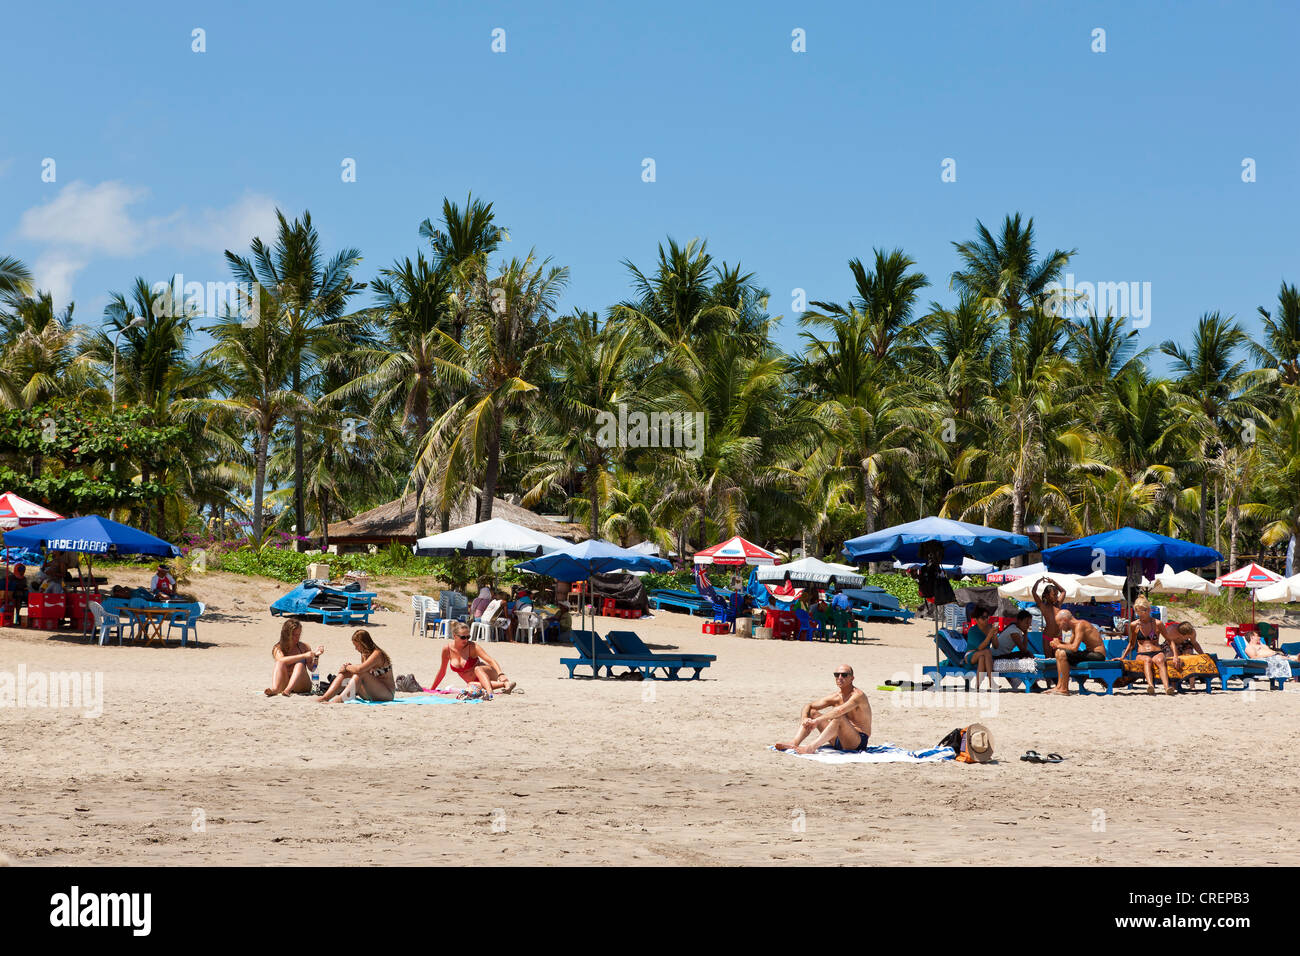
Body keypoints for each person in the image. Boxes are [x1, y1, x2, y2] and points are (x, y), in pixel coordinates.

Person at [775, 664, 873, 754]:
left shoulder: (858, 695)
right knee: (812, 712)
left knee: (839, 717)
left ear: (852, 678)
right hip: (838, 739)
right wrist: (805, 718)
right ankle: (794, 742)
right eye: (836, 675)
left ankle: (811, 748)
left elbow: (840, 711)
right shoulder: (835, 697)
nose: (840, 678)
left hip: (857, 741)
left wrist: (816, 721)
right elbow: (808, 706)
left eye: (844, 675)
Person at [427, 622, 517, 698]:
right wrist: (432, 689)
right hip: (475, 683)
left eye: (468, 637)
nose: (466, 640)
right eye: (463, 637)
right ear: (455, 636)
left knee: (477, 669)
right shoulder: (447, 649)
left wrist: (500, 674)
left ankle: (490, 693)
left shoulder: (473, 647)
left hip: (487, 673)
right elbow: (442, 671)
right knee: (469, 685)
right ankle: (506, 684)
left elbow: (490, 660)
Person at [318, 629, 395, 703]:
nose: (356, 648)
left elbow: (360, 670)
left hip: (386, 694)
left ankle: (341, 699)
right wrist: (348, 669)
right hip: (371, 692)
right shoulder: (364, 654)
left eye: (357, 646)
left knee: (361, 673)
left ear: (363, 644)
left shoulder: (377, 654)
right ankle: (325, 697)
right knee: (346, 674)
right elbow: (361, 670)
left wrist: (346, 667)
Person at [1116, 597, 1173, 695]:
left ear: (1149, 610)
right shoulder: (1134, 625)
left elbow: (1170, 640)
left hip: (1157, 651)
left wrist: (1175, 655)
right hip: (1142, 653)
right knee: (1147, 660)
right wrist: (1122, 657)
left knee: (1160, 660)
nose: (1141, 614)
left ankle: (1167, 687)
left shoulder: (1157, 623)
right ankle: (1150, 685)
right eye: (1138, 612)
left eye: (1144, 611)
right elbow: (1131, 643)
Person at [1047, 608, 1107, 696]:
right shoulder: (1075, 627)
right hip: (1090, 653)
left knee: (1062, 653)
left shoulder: (1080, 625)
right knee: (1058, 652)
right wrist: (1058, 643)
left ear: (1064, 620)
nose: (1059, 627)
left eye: (1059, 624)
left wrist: (1058, 645)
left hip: (1098, 655)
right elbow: (1069, 645)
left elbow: (1074, 648)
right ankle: (1059, 686)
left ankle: (1064, 688)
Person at [265, 620, 324, 697]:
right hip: (285, 682)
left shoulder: (304, 647)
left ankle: (287, 690)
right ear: (286, 635)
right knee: (279, 663)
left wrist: (316, 656)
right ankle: (275, 689)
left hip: (301, 684)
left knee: (299, 664)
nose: (297, 638)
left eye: (298, 635)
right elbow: (281, 660)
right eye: (294, 635)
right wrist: (303, 656)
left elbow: (312, 668)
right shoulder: (278, 648)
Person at [1161, 621, 1220, 685]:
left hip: (1183, 643)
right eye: (1186, 636)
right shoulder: (1171, 630)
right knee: (1171, 658)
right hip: (1170, 644)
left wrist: (1202, 654)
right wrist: (1175, 655)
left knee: (1190, 657)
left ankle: (1192, 684)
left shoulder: (1192, 632)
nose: (1188, 637)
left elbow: (1194, 643)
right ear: (1181, 634)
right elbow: (1171, 644)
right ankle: (1173, 680)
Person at [962, 606, 996, 690]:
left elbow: (996, 646)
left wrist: (994, 635)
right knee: (986, 652)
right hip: (971, 654)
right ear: (976, 620)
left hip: (982, 655)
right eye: (983, 617)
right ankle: (992, 681)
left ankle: (977, 685)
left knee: (982, 657)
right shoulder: (972, 630)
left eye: (987, 617)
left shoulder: (989, 628)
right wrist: (989, 635)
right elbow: (980, 648)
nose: (986, 619)